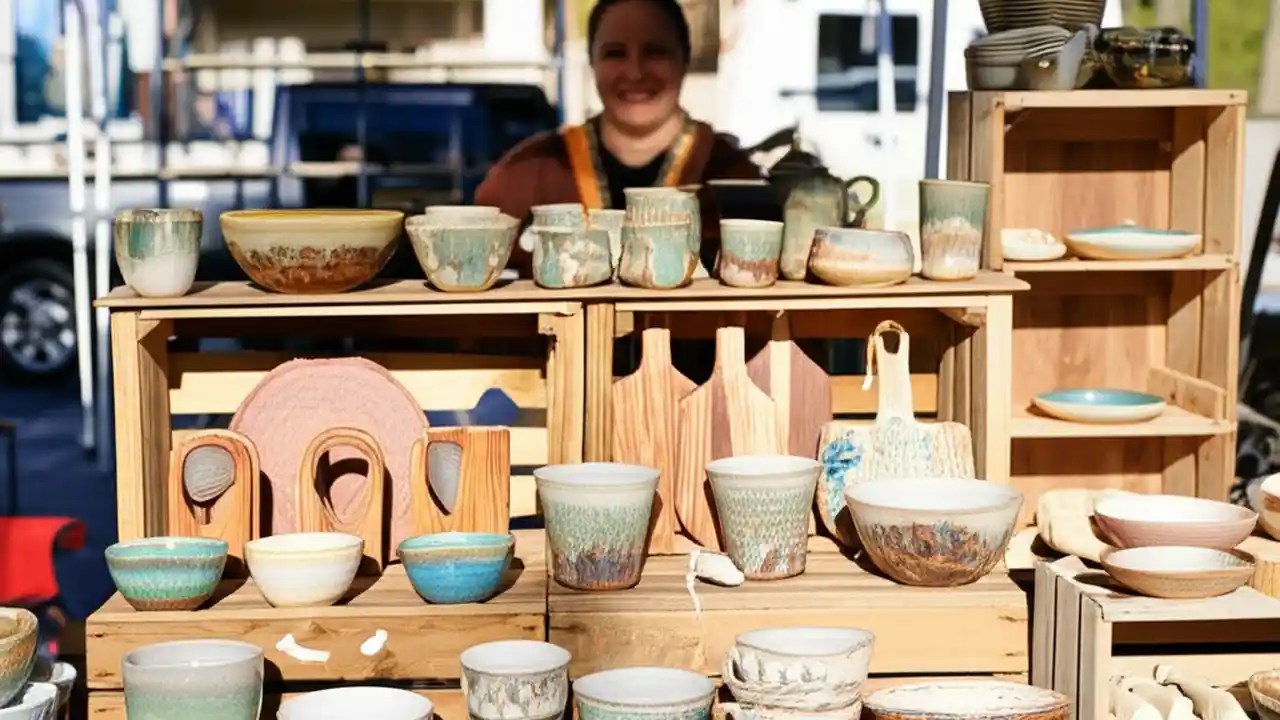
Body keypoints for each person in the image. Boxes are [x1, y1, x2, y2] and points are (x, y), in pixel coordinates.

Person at [474, 0, 762, 275]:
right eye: (614, 53)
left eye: (655, 52)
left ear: (685, 59)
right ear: (592, 62)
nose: (635, 72)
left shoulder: (731, 176)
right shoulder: (529, 173)